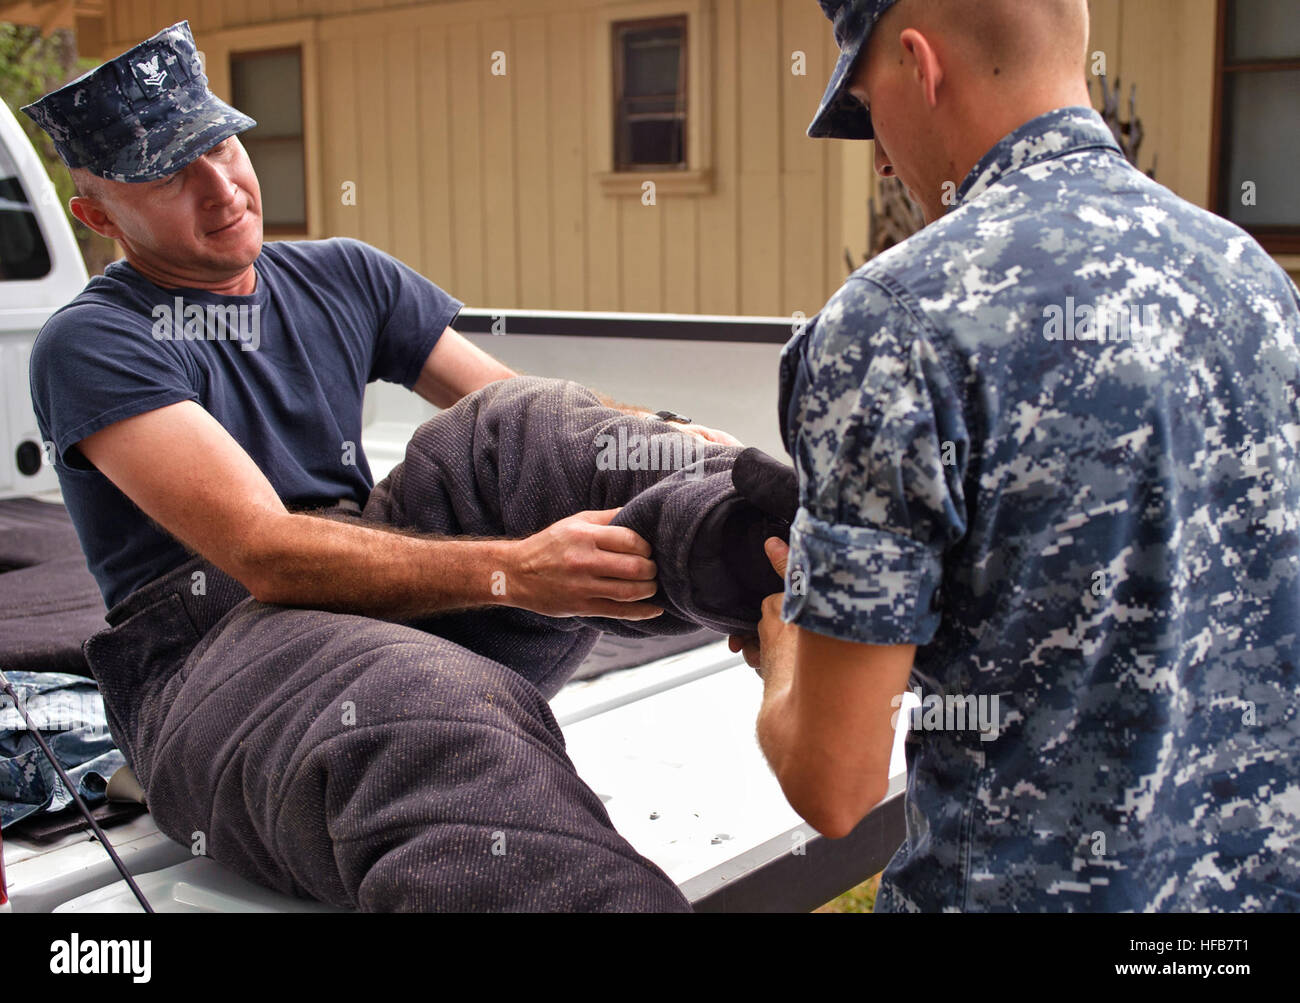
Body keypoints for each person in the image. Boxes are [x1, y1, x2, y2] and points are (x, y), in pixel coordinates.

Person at [22, 20, 789, 912]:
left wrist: (700, 448)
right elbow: (264, 553)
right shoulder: (92, 341)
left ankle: (798, 562)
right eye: (169, 173)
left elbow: (520, 413)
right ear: (99, 215)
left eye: (223, 145)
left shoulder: (343, 275)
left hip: (372, 592)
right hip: (209, 660)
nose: (221, 185)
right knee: (428, 705)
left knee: (525, 422)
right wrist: (516, 572)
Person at [733, 0, 1300, 911]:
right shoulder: (1255, 283)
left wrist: (787, 656)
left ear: (921, 66)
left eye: (869, 111)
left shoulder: (895, 322)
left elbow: (833, 784)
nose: (878, 157)